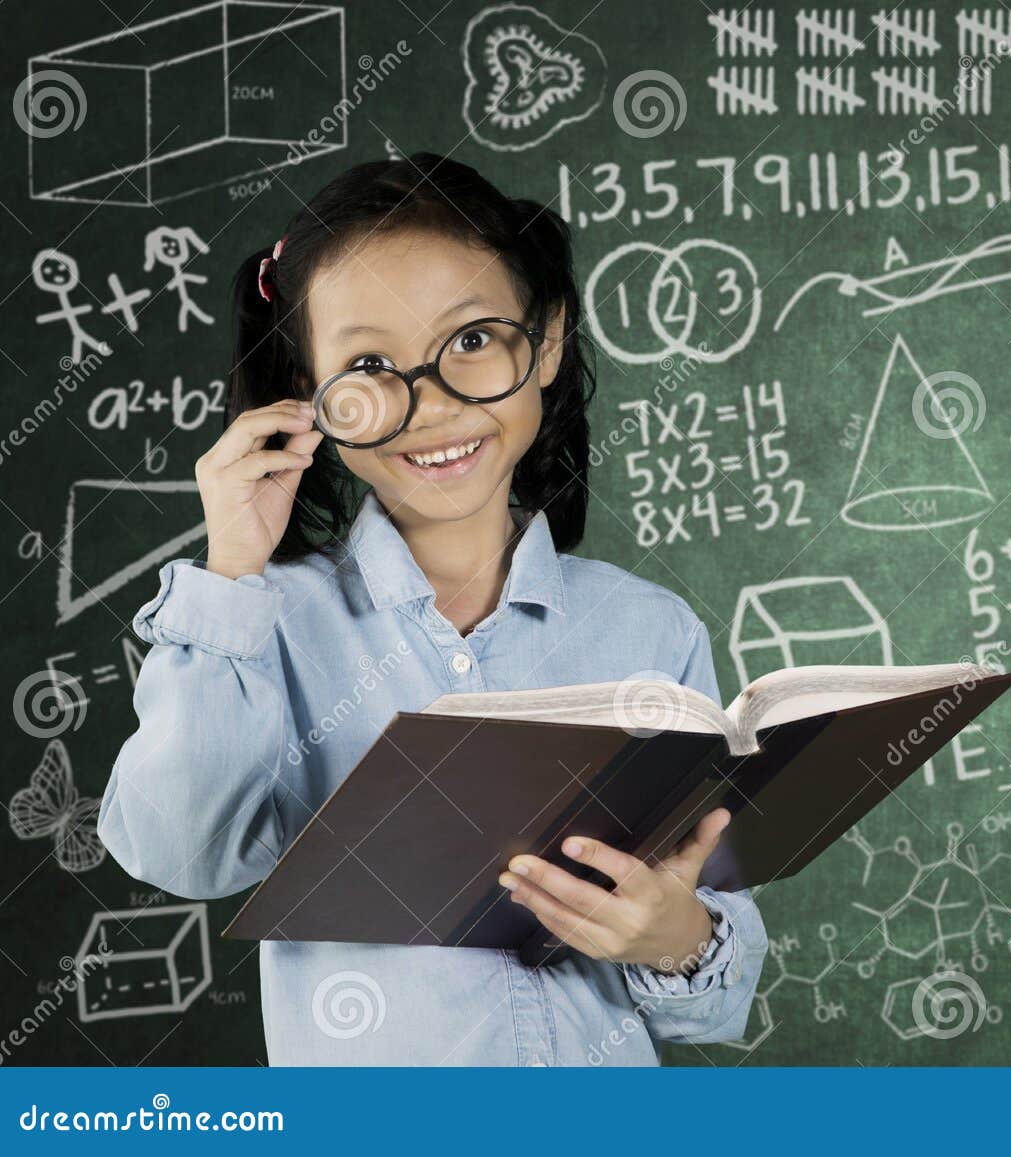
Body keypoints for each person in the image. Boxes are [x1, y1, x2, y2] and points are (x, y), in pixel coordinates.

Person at [98, 153, 766, 1066]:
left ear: (550, 339)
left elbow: (715, 990)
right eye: (370, 364)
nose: (435, 404)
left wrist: (673, 935)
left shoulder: (651, 630)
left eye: (473, 340)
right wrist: (230, 570)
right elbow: (179, 852)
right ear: (314, 397)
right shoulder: (259, 624)